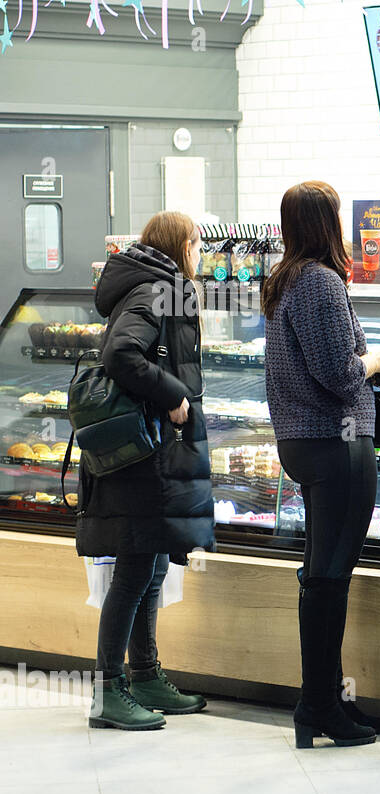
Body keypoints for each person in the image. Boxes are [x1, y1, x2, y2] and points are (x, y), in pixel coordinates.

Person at [263, 181, 380, 749]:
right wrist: (377, 359)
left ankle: (323, 698)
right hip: (334, 442)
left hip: (304, 442)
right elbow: (339, 374)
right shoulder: (321, 283)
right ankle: (320, 705)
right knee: (329, 578)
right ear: (330, 223)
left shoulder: (284, 281)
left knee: (320, 572)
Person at [78, 210, 214, 730]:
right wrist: (173, 393)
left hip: (155, 451)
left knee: (153, 565)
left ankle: (146, 675)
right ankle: (108, 691)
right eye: (197, 244)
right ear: (180, 245)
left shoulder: (166, 287)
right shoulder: (153, 290)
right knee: (135, 570)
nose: (200, 254)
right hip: (139, 455)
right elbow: (120, 354)